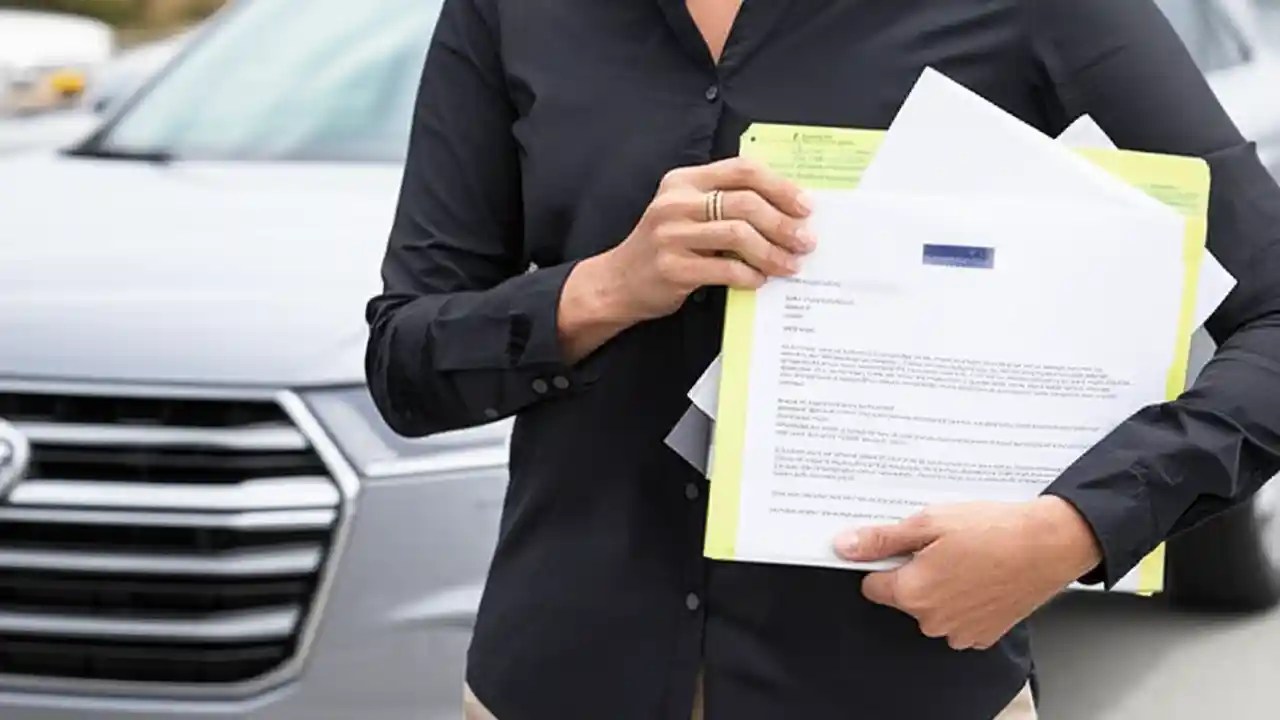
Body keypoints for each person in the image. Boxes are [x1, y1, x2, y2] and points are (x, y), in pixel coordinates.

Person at [365, 0, 1280, 717]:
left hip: (900, 689)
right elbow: (406, 357)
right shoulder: (508, 10)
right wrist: (603, 289)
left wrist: (1076, 529)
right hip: (557, 677)